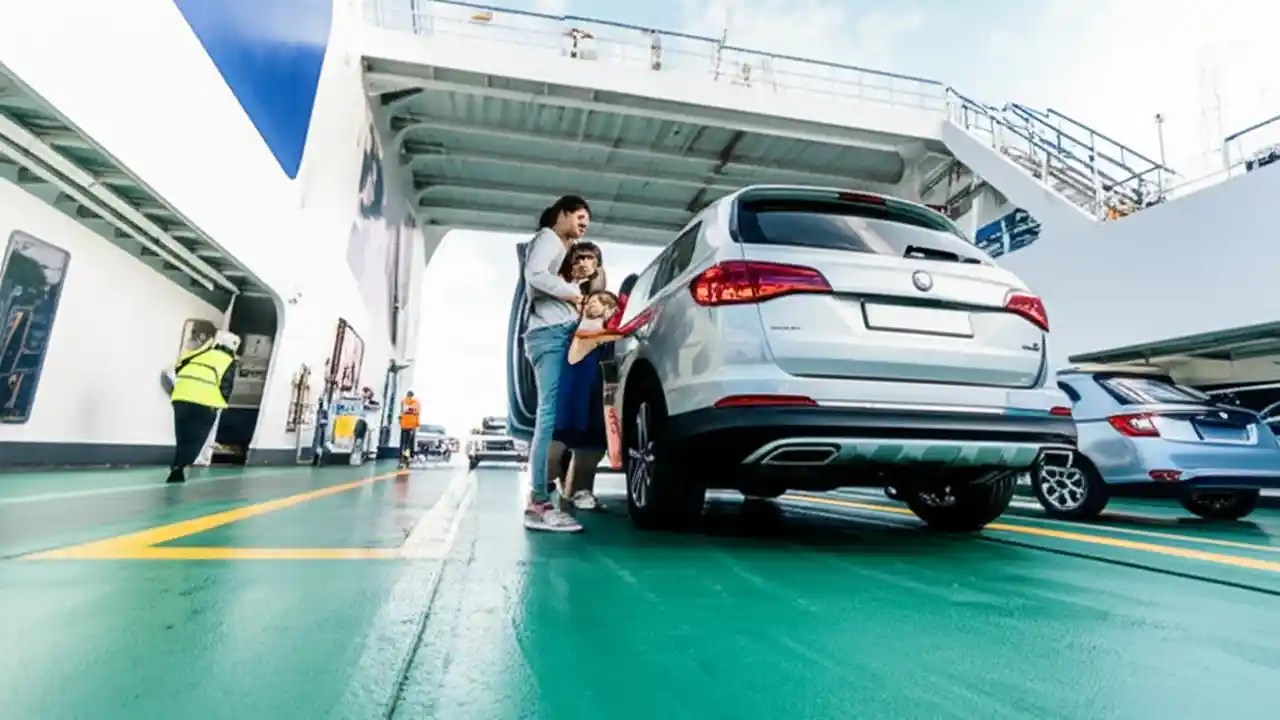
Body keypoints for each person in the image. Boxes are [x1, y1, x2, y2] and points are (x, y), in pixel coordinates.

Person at [523, 194, 591, 532]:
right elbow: (534, 274)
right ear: (562, 214)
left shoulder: (562, 249)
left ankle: (542, 495)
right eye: (579, 217)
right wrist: (572, 293)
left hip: (555, 335)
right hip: (548, 337)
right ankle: (537, 503)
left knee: (553, 418)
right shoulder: (548, 238)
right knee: (547, 418)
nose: (583, 225)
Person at [554, 290, 622, 510]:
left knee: (590, 440)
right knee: (562, 437)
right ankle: (543, 491)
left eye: (599, 302)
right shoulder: (576, 329)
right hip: (574, 384)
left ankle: (576, 491)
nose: (593, 305)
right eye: (591, 301)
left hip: (593, 385)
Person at [166, 330, 240, 484]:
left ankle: (177, 465)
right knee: (196, 438)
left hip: (180, 397)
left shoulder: (200, 354)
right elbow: (226, 385)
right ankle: (179, 466)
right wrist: (221, 403)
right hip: (206, 402)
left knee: (183, 436)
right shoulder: (228, 360)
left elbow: (179, 368)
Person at [399, 391, 420, 468]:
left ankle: (402, 457)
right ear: (412, 396)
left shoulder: (403, 402)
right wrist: (417, 424)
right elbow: (417, 413)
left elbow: (401, 413)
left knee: (403, 442)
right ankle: (406, 457)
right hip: (411, 426)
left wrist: (400, 421)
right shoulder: (416, 403)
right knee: (408, 443)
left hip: (404, 425)